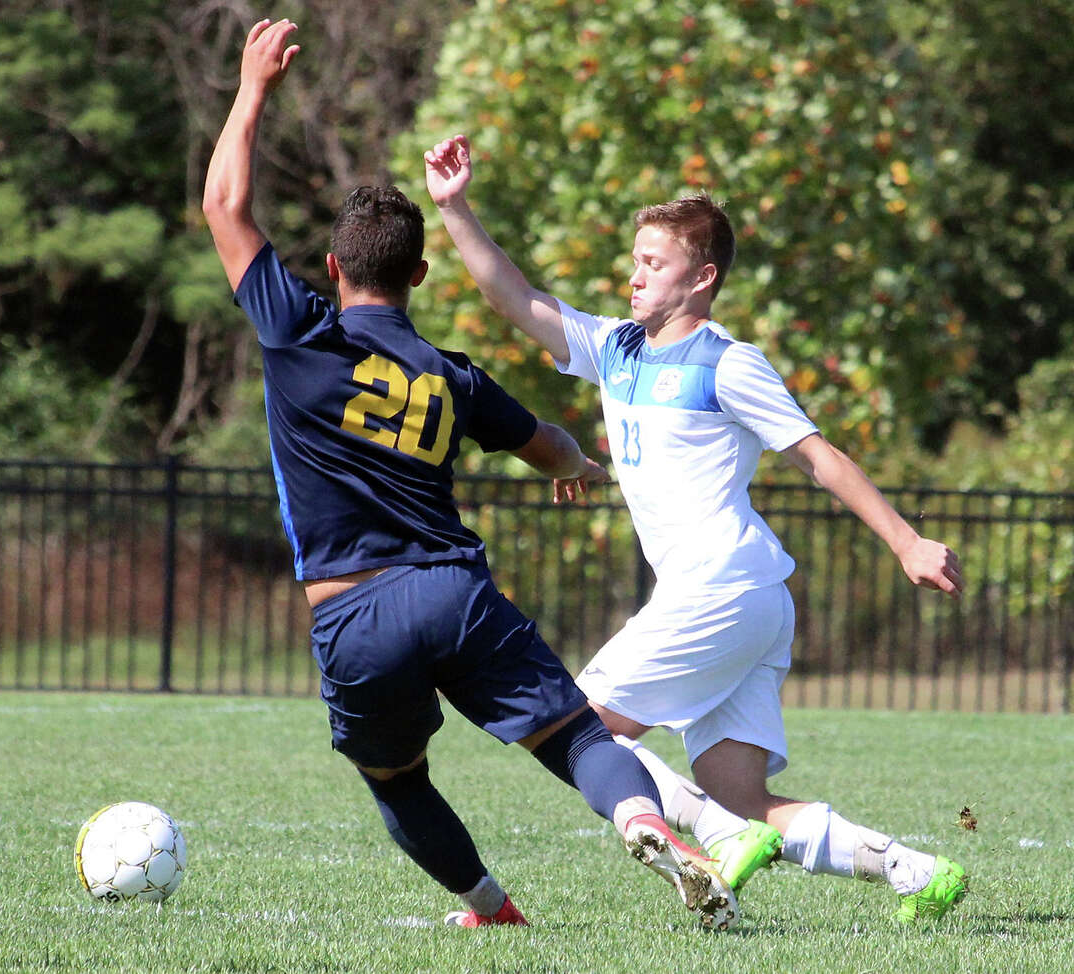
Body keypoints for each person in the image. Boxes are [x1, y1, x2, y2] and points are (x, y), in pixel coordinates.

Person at [202, 19, 740, 930]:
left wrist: (253, 85)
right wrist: (571, 466)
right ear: (418, 273)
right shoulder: (453, 375)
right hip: (456, 591)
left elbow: (225, 207)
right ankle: (645, 817)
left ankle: (492, 907)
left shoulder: (302, 330)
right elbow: (551, 444)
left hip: (355, 612)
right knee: (572, 736)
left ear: (334, 270)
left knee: (397, 781)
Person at [424, 133, 970, 922]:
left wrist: (905, 541)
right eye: (636, 259)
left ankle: (710, 835)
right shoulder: (614, 348)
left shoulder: (729, 363)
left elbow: (821, 459)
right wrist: (456, 208)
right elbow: (514, 297)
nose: (635, 274)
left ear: (703, 277)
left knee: (572, 724)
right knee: (743, 797)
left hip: (722, 587)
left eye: (655, 262)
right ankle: (911, 868)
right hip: (749, 600)